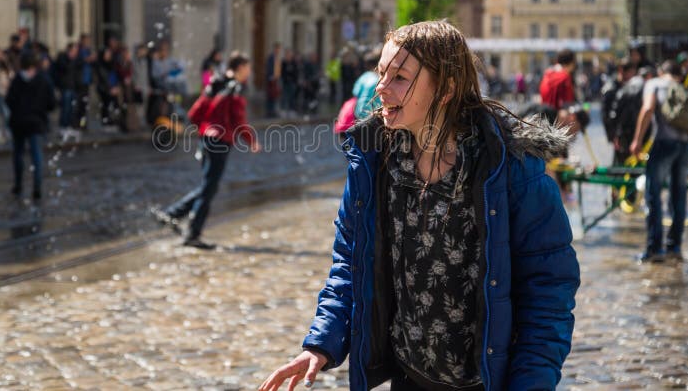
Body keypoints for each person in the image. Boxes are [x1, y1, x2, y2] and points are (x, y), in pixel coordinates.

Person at [260, 20, 579, 391]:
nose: (380, 88)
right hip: (409, 376)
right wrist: (322, 344)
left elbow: (549, 291)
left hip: (487, 382)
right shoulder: (373, 161)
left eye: (399, 78)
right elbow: (351, 262)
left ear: (446, 88)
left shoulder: (513, 170)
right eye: (382, 73)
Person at [155, 51, 260, 249]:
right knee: (209, 187)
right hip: (220, 140)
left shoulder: (215, 82)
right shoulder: (235, 88)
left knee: (207, 185)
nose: (249, 72)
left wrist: (204, 128)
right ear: (239, 68)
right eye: (247, 68)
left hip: (206, 138)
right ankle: (191, 231)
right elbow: (239, 120)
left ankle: (174, 215)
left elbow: (195, 112)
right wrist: (251, 140)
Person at [630, 60, 688, 263]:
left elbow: (648, 109)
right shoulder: (682, 87)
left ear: (660, 71)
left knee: (653, 193)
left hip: (663, 143)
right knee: (679, 194)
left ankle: (654, 248)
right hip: (684, 146)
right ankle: (674, 247)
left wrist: (637, 140)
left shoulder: (655, 84)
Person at [6, 51, 57, 201]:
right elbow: (52, 103)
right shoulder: (43, 79)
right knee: (36, 155)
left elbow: (9, 100)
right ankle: (37, 188)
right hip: (36, 121)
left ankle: (18, 184)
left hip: (19, 121)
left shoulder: (17, 79)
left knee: (18, 154)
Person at [352, 47, 382, 120]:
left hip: (359, 113)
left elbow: (355, 92)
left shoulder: (364, 76)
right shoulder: (379, 79)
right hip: (374, 116)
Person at [265, 43, 282, 118]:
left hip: (276, 79)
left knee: (275, 96)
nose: (278, 50)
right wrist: (270, 77)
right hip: (271, 80)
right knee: (270, 96)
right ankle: (269, 111)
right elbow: (268, 68)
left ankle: (274, 111)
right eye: (277, 48)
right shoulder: (271, 57)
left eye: (279, 49)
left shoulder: (278, 58)